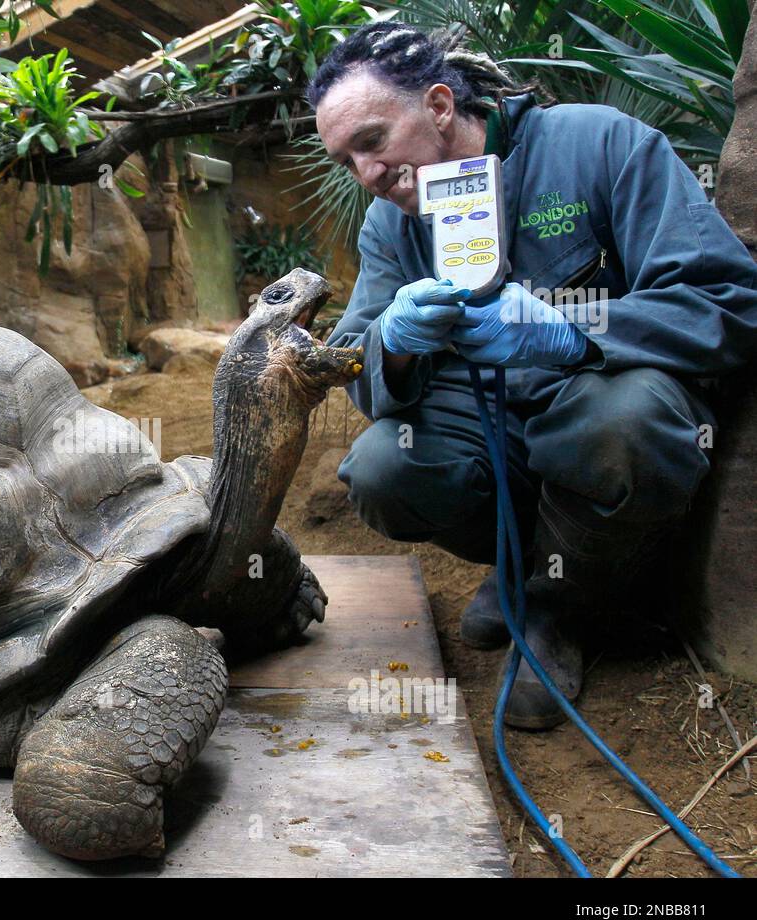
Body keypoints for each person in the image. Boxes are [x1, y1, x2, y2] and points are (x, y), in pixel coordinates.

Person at [310, 22, 757, 729]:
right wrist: (391, 344)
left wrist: (571, 330)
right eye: (347, 161)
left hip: (597, 412)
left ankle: (562, 610)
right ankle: (531, 564)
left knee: (626, 425)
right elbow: (355, 357)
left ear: (437, 105)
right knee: (382, 469)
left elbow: (727, 303)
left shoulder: (597, 144)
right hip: (499, 434)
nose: (367, 173)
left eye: (372, 141)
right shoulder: (390, 225)